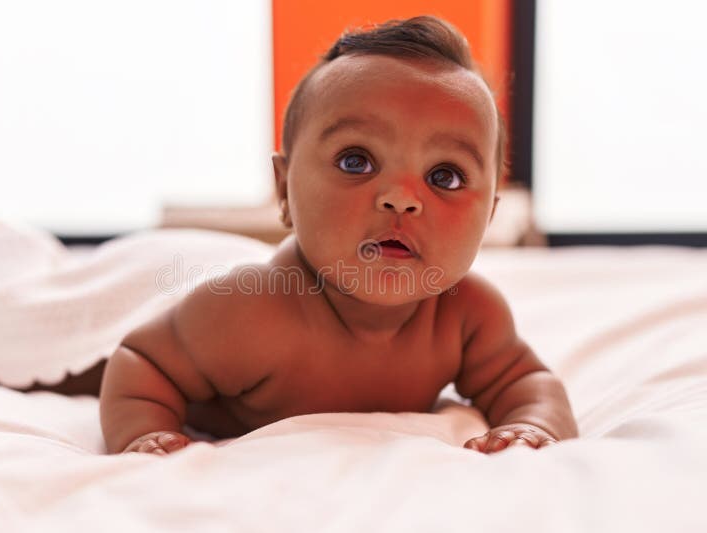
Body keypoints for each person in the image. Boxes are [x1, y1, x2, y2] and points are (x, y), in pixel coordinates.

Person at [99, 15, 578, 456]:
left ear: (488, 217)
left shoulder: (467, 315)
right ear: (284, 190)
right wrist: (146, 433)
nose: (401, 198)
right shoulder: (246, 311)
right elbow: (142, 363)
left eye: (444, 176)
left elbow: (527, 383)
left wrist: (532, 425)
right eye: (357, 161)